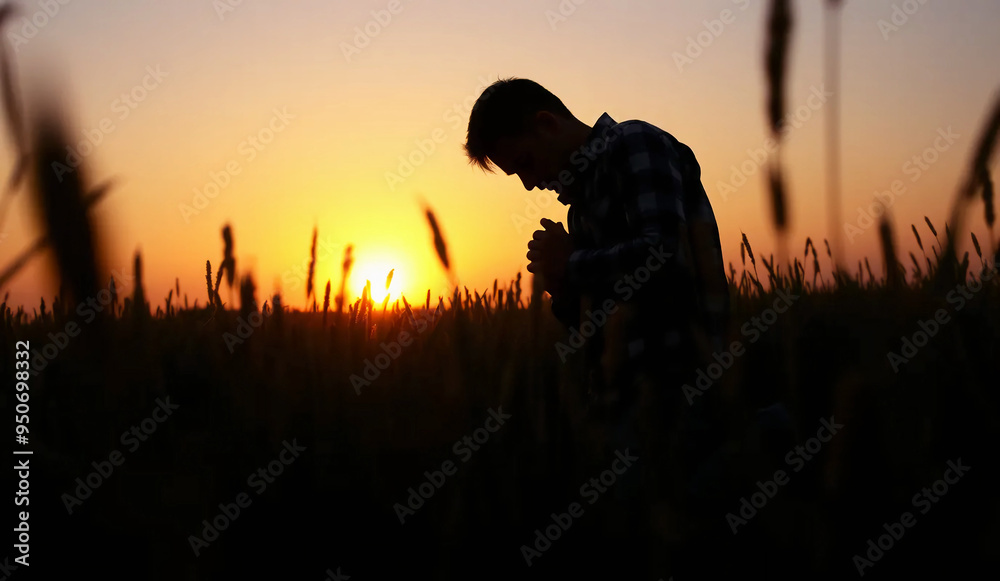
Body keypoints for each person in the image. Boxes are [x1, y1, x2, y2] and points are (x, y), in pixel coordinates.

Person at [464, 77, 733, 574]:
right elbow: (601, 317)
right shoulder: (581, 203)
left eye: (523, 163)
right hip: (624, 403)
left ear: (546, 124)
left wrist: (575, 263)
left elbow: (665, 257)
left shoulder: (636, 145)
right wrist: (563, 290)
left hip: (680, 389)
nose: (526, 183)